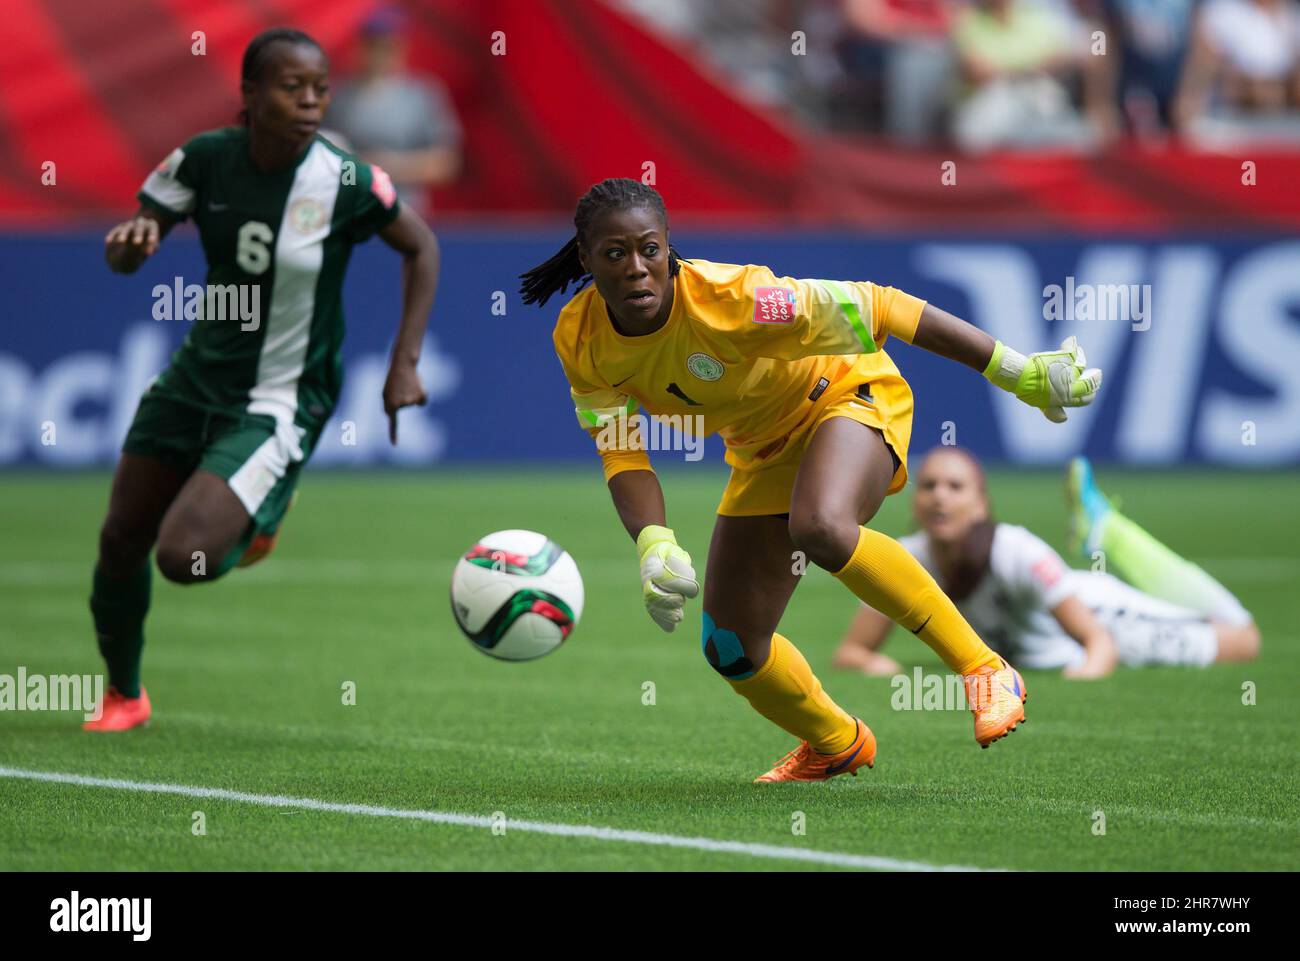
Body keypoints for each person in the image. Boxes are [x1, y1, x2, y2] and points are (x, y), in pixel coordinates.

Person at [520, 178, 1102, 781]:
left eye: (650, 249)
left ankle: (984, 670)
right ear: (586, 259)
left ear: (669, 249)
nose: (637, 268)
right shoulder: (579, 338)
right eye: (615, 254)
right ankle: (835, 742)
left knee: (821, 526)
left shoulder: (735, 298)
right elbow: (620, 451)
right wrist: (653, 541)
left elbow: (885, 306)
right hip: (762, 449)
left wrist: (1017, 372)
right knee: (731, 648)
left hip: (847, 394)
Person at [89, 28, 441, 732]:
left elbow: (421, 247)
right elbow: (135, 242)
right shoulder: (205, 160)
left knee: (182, 560)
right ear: (250, 95)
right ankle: (125, 693)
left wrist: (404, 360)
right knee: (120, 539)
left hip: (282, 396)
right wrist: (129, 246)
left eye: (319, 89)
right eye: (292, 87)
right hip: (192, 381)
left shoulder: (344, 178)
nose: (310, 101)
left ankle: (261, 516)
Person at [834, 449, 1260, 679]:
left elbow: (1099, 644)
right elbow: (852, 652)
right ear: (915, 501)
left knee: (1244, 638)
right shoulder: (902, 560)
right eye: (928, 486)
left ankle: (1111, 533)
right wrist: (876, 665)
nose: (940, 496)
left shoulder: (1017, 551)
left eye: (955, 486)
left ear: (981, 505)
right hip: (1052, 640)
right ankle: (1106, 529)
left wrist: (1087, 674)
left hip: (1105, 617)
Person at [326, 6, 463, 219]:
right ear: (360, 47)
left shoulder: (423, 95)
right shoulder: (337, 96)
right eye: (373, 45)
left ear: (402, 47)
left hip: (408, 210)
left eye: (388, 46)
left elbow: (446, 163)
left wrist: (386, 167)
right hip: (350, 210)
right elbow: (324, 157)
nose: (380, 54)